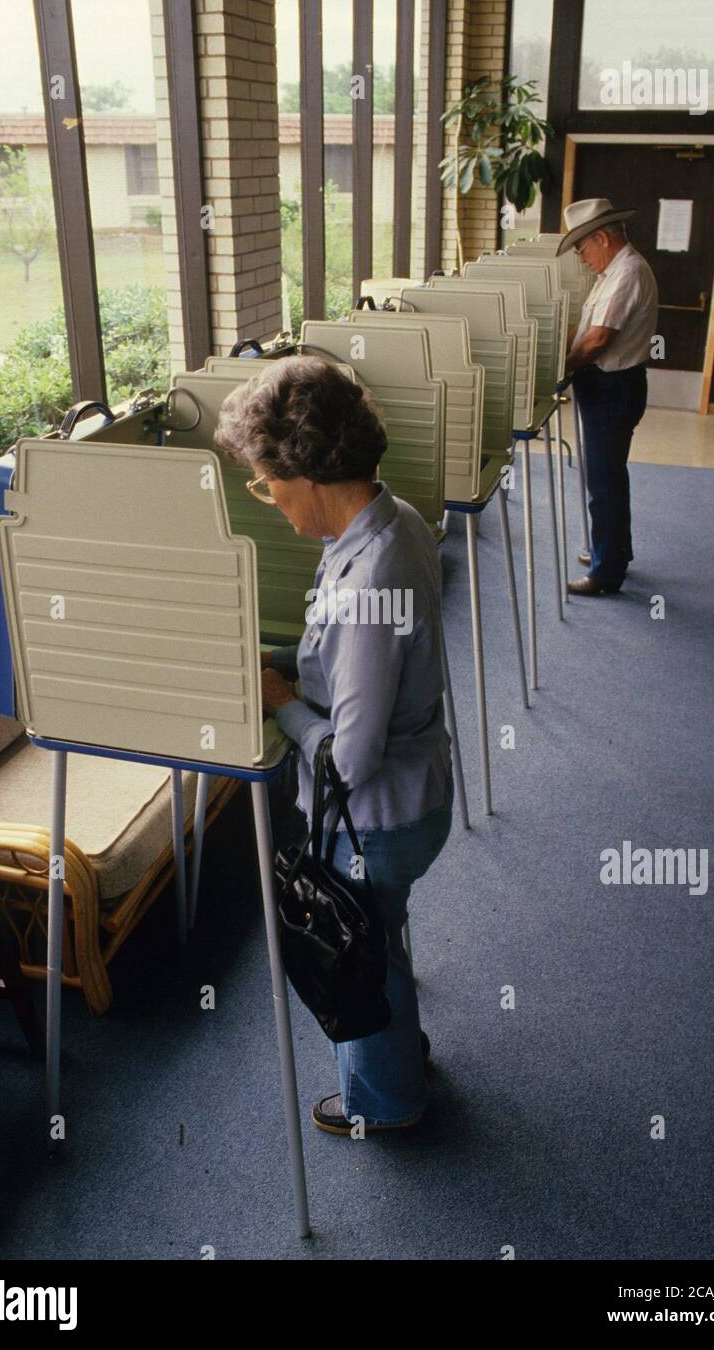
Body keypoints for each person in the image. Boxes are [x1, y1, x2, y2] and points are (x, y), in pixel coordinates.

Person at [215, 355, 454, 1135]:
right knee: (379, 934)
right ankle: (403, 1055)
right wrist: (284, 663)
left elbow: (349, 761)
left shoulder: (368, 576)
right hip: (411, 796)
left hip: (379, 816)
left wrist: (283, 707)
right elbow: (341, 656)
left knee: (363, 955)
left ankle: (387, 1106)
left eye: (265, 481)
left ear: (306, 473)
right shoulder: (390, 519)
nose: (270, 499)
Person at [557, 198, 659, 595]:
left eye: (583, 249)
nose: (582, 259)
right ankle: (614, 550)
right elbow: (587, 328)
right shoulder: (614, 272)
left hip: (613, 387)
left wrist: (561, 369)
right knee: (609, 475)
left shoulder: (627, 272)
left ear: (601, 237)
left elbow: (599, 339)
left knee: (604, 480)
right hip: (607, 387)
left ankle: (605, 573)